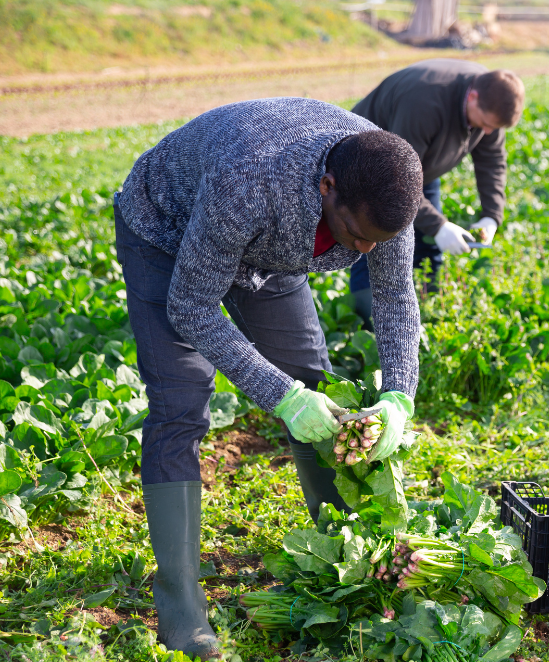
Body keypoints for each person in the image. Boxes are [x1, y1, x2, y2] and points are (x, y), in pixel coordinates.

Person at [113, 97, 423, 658]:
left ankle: (343, 556)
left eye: (380, 238)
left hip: (270, 251)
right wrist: (281, 397)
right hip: (167, 231)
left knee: (312, 376)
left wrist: (399, 393)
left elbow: (396, 299)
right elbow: (191, 306)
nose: (367, 250)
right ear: (327, 186)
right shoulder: (249, 181)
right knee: (180, 402)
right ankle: (180, 599)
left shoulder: (385, 186)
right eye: (358, 235)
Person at [349, 59, 525, 325]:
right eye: (486, 124)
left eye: (494, 128)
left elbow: (492, 162)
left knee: (428, 248)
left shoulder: (491, 100)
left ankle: (425, 311)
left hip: (419, 166)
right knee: (373, 243)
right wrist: (439, 225)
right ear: (473, 97)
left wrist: (492, 216)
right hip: (371, 167)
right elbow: (394, 180)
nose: (488, 132)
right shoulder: (424, 103)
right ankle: (367, 327)